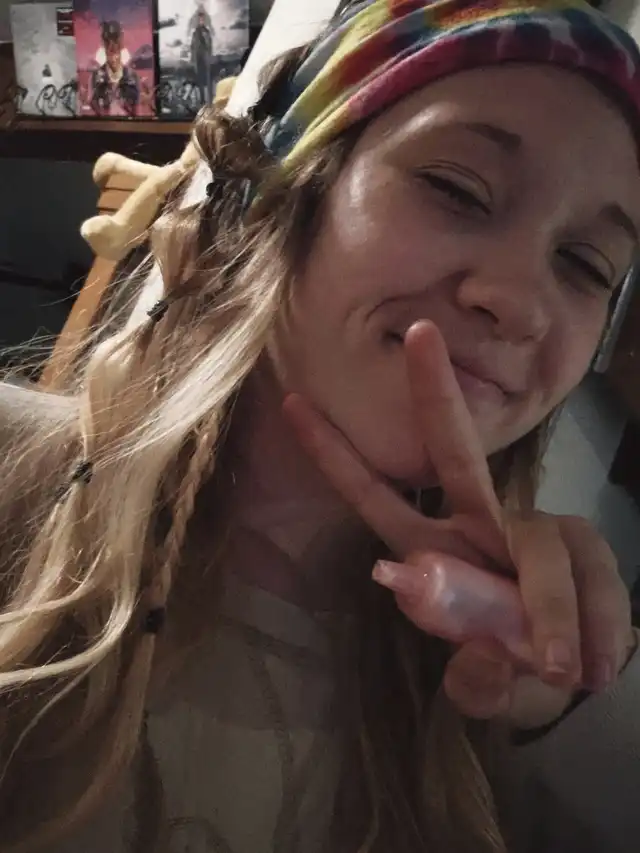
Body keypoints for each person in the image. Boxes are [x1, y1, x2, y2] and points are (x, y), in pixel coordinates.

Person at [1, 0, 640, 851]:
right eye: (458, 188)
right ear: (283, 197)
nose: (522, 302)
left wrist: (564, 706)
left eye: (586, 264)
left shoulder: (518, 692)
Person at [90, 20, 140, 117]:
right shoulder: (96, 76)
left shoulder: (132, 76)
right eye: (108, 40)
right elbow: (93, 104)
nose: (112, 45)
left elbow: (136, 110)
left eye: (115, 39)